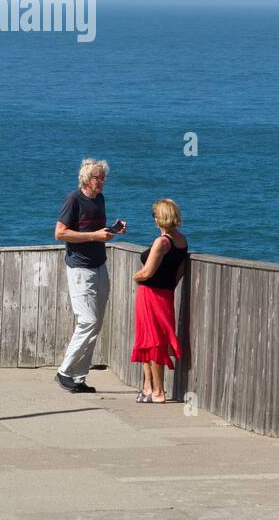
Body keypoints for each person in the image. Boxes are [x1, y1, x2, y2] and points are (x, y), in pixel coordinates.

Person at [54, 158, 126, 393]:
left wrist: (111, 231)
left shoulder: (100, 200)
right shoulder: (73, 200)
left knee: (96, 325)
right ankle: (64, 371)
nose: (102, 182)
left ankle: (79, 378)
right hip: (80, 269)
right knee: (88, 321)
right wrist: (95, 236)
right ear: (86, 178)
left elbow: (95, 231)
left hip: (100, 265)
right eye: (97, 177)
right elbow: (60, 233)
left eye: (103, 177)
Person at [131, 199, 187, 403]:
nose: (153, 219)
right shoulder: (181, 241)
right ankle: (147, 387)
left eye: (154, 215)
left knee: (152, 341)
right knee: (150, 340)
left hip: (150, 294)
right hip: (166, 294)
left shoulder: (162, 242)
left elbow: (147, 272)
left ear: (159, 218)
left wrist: (134, 277)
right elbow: (179, 272)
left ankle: (158, 391)